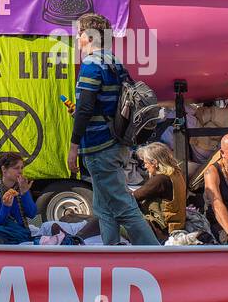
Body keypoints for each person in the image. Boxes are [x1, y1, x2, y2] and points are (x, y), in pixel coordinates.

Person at [67, 14, 160, 247]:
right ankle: (110, 252)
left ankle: (155, 254)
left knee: (122, 206)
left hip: (99, 145)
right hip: (117, 143)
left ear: (88, 37)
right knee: (103, 207)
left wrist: (73, 146)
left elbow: (86, 107)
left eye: (78, 34)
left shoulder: (91, 64)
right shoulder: (115, 62)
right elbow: (104, 105)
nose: (77, 39)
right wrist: (82, 112)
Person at [0, 153, 38, 245]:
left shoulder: (21, 188)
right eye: (16, 168)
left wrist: (25, 194)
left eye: (21, 168)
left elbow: (32, 214)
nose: (20, 171)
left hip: (19, 234)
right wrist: (5, 207)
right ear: (4, 169)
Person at [132, 142, 187, 242]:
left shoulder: (160, 180)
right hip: (175, 225)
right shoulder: (176, 173)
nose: (145, 166)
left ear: (154, 163)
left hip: (161, 230)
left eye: (145, 163)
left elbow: (134, 197)